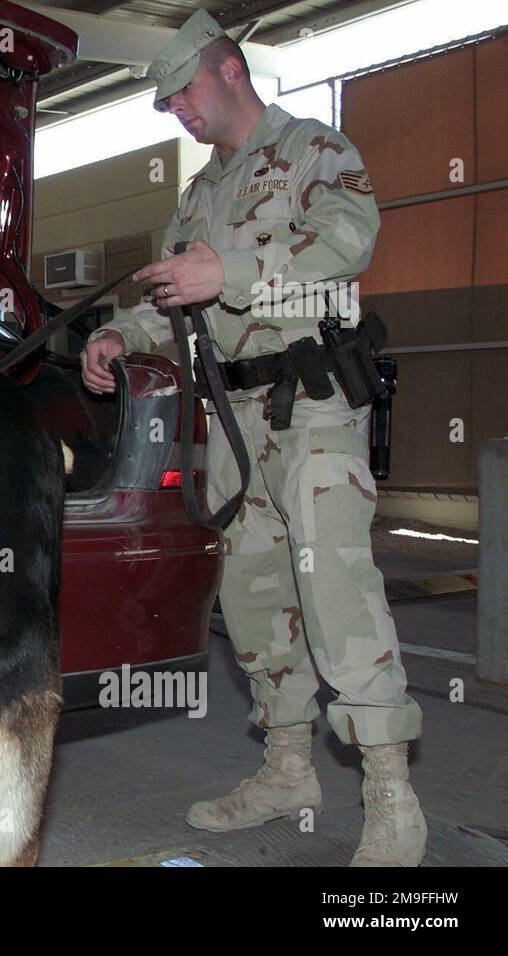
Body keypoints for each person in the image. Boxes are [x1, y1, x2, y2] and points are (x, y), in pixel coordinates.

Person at [80, 10, 425, 866]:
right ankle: (286, 770)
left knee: (335, 591)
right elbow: (174, 297)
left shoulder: (315, 150)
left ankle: (390, 795)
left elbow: (348, 243)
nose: (175, 113)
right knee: (256, 597)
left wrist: (227, 273)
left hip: (311, 406)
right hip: (234, 420)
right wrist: (126, 334)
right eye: (164, 105)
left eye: (182, 92)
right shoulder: (198, 196)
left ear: (229, 69)